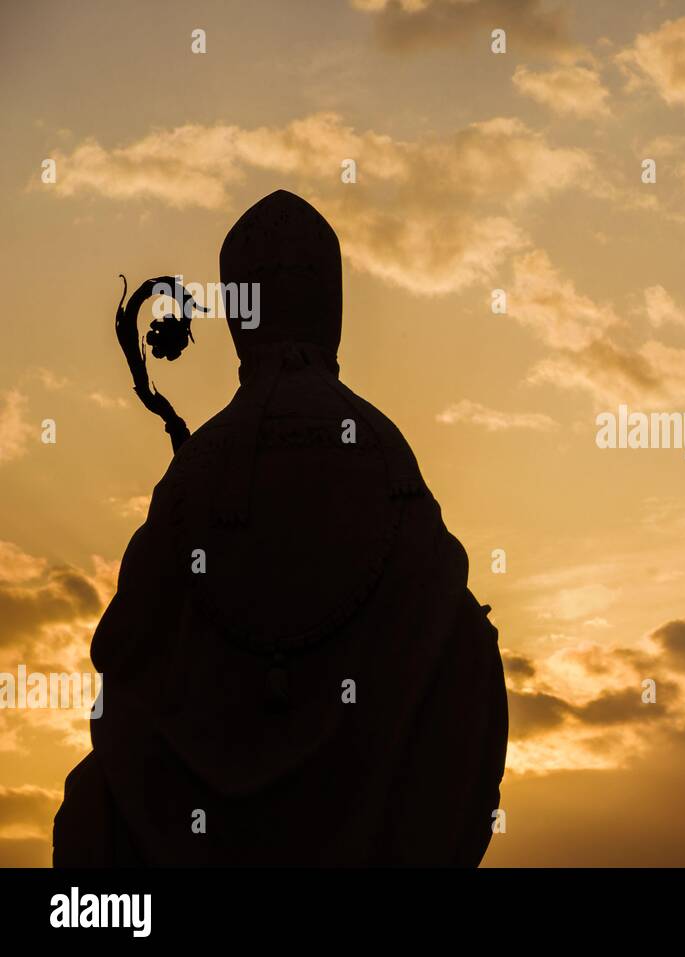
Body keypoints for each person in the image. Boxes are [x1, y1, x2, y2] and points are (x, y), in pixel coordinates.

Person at [53, 190, 507, 865]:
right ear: (334, 305)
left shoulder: (204, 460)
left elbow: (123, 641)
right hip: (375, 800)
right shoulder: (380, 447)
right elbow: (445, 602)